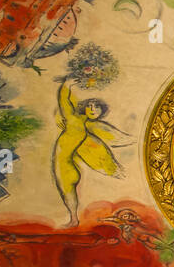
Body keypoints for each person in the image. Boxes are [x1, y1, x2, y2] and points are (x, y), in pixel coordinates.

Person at [52, 79, 128, 226]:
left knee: (66, 190)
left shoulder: (75, 120)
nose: (93, 109)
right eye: (90, 106)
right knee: (67, 192)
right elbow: (63, 102)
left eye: (97, 107)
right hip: (67, 167)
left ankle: (74, 219)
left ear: (101, 113)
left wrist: (67, 84)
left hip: (65, 166)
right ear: (85, 107)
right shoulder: (81, 122)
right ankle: (73, 219)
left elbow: (64, 101)